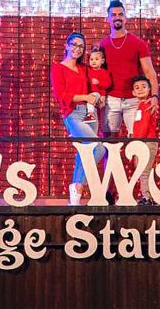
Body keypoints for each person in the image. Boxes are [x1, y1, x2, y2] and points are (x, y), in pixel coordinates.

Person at [49, 32, 105, 205]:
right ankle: (78, 185)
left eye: (81, 46)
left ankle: (74, 200)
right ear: (66, 45)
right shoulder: (58, 68)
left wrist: (98, 96)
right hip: (73, 114)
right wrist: (85, 97)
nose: (77, 49)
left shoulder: (84, 68)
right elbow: (61, 96)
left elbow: (96, 84)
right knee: (98, 148)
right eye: (74, 44)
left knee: (84, 152)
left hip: (90, 113)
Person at [99, 0, 159, 136]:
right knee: (109, 140)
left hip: (134, 99)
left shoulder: (138, 43)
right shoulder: (103, 45)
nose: (117, 17)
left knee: (138, 139)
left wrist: (155, 96)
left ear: (125, 18)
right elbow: (96, 74)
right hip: (110, 100)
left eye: (120, 14)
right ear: (108, 19)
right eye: (113, 15)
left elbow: (150, 72)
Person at [130, 75, 159, 205]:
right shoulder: (139, 107)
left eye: (143, 87)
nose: (140, 89)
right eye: (137, 88)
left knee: (144, 170)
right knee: (141, 170)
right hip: (140, 142)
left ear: (149, 89)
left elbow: (144, 126)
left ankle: (147, 197)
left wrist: (136, 142)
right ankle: (147, 196)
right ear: (133, 92)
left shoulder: (148, 105)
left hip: (146, 142)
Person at [85, 47, 111, 123]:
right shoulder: (88, 71)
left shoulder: (104, 72)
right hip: (88, 93)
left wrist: (99, 83)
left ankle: (90, 115)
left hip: (98, 94)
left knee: (91, 98)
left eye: (96, 59)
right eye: (91, 59)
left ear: (102, 61)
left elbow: (108, 84)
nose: (94, 61)